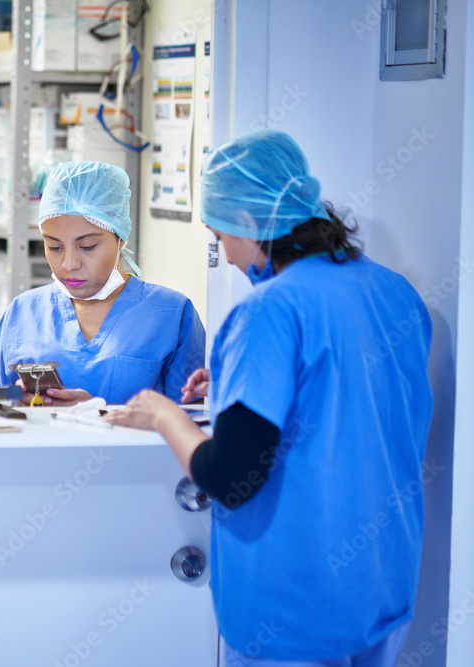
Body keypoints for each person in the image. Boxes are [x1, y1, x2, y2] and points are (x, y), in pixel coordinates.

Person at [106, 130, 434, 666]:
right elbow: (352, 397)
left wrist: (163, 415)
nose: (228, 258)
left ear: (253, 224)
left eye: (221, 238)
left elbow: (231, 476)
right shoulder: (393, 292)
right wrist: (236, 383)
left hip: (296, 608)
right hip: (382, 589)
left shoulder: (268, 313)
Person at [0, 161, 205, 405]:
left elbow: (191, 427)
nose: (68, 264)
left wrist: (96, 413)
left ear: (121, 239)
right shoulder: (23, 312)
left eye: (87, 246)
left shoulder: (171, 314)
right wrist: (15, 398)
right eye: (54, 246)